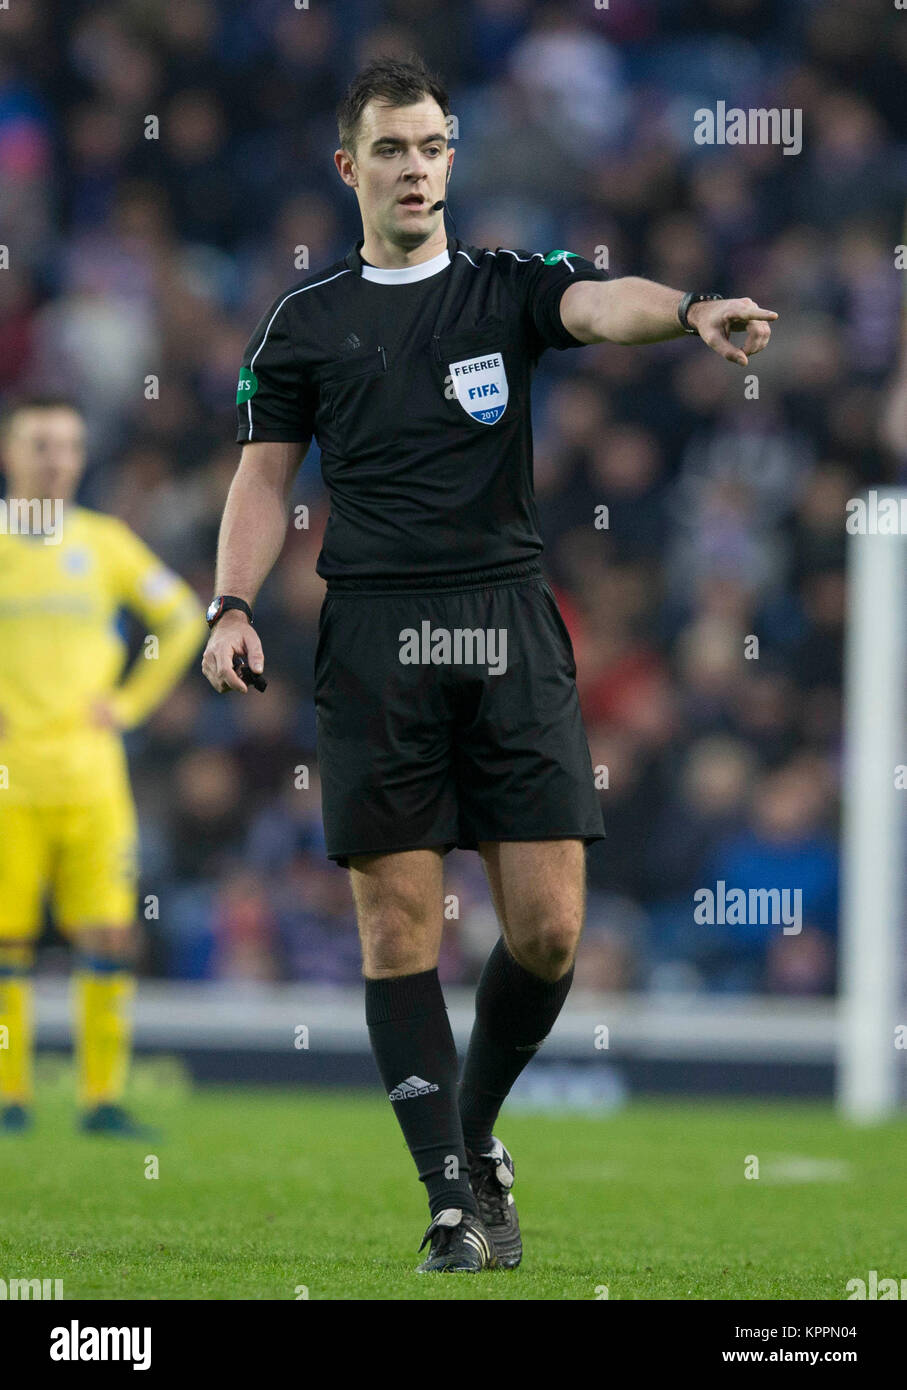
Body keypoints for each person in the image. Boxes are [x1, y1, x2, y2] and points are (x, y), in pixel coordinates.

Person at [202, 55, 776, 1271]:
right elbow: (263, 478)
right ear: (348, 166)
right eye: (393, 149)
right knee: (399, 926)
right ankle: (449, 1201)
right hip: (374, 637)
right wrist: (230, 604)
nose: (416, 168)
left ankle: (471, 1124)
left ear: (452, 157)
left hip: (506, 622)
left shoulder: (505, 287)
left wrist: (686, 311)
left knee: (551, 930)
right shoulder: (304, 323)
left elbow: (598, 302)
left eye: (433, 146)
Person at [0, 396, 206, 1135]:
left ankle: (101, 1098)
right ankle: (9, 1096)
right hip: (8, 778)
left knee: (109, 935)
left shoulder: (105, 541)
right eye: (40, 442)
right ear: (10, 452)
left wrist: (128, 705)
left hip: (91, 773)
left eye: (68, 443)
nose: (56, 457)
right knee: (7, 940)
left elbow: (183, 618)